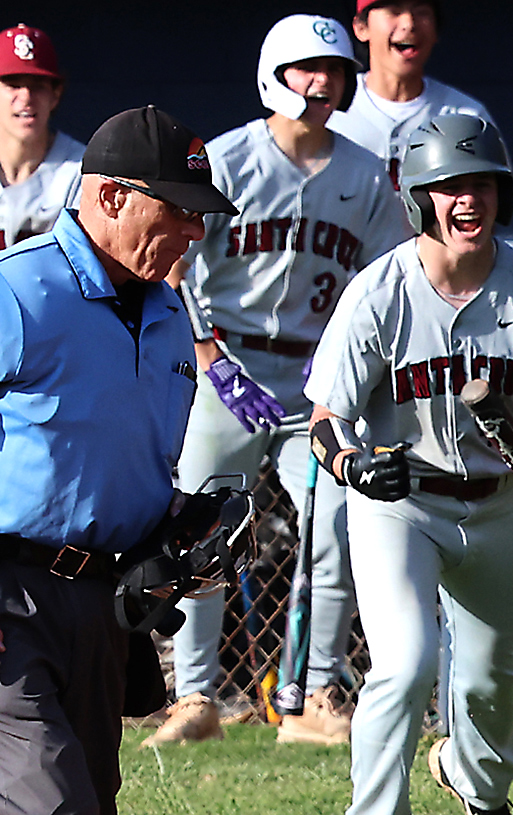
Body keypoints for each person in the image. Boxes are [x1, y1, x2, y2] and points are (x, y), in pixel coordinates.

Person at [0, 106, 235, 815]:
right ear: (106, 197)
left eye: (198, 213)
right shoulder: (20, 292)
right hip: (9, 597)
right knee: (50, 811)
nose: (191, 230)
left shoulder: (166, 312)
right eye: (174, 210)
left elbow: (123, 470)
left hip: (97, 609)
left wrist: (179, 530)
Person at [308, 115, 513, 815]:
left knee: (492, 677)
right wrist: (353, 467)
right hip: (400, 504)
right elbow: (326, 419)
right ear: (417, 200)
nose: (469, 200)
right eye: (449, 187)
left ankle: (482, 792)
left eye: (483, 184)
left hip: (498, 501)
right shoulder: (378, 293)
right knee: (404, 663)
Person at [143, 15, 412, 748]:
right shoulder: (227, 158)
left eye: (336, 69)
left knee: (336, 523)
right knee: (201, 525)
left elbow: (380, 283)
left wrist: (349, 373)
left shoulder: (365, 173)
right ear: (274, 74)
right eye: (307, 68)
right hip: (228, 363)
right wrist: (208, 354)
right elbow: (173, 263)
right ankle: (194, 695)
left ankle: (313, 692)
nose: (323, 82)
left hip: (315, 374)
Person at [328, 0, 496, 191]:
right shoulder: (327, 108)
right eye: (394, 11)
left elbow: (494, 203)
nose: (409, 23)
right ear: (361, 28)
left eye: (421, 12)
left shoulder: (468, 116)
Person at [0, 24, 81, 253]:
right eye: (13, 84)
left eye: (37, 86)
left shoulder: (82, 172)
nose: (26, 97)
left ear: (56, 94)